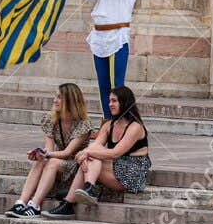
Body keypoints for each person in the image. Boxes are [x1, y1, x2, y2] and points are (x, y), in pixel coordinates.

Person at [45, 86, 150, 216]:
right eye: (109, 101)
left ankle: (74, 198)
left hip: (132, 175)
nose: (110, 104)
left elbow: (115, 153)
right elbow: (95, 145)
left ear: (125, 102)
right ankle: (87, 190)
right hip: (114, 168)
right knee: (92, 155)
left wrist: (87, 153)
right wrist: (85, 154)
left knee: (93, 156)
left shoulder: (135, 127)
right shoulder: (109, 125)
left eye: (114, 101)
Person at [75, 0, 141, 114]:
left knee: (117, 85)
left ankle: (120, 122)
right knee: (103, 84)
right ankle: (107, 122)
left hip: (117, 36)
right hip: (99, 36)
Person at [9, 83, 92, 217]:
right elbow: (49, 149)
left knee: (51, 161)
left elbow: (67, 153)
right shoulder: (51, 120)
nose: (55, 100)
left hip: (76, 166)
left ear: (70, 101)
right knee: (41, 160)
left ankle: (35, 205)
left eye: (59, 97)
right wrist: (40, 154)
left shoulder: (83, 124)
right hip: (59, 163)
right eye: (55, 96)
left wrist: (47, 154)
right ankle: (21, 202)